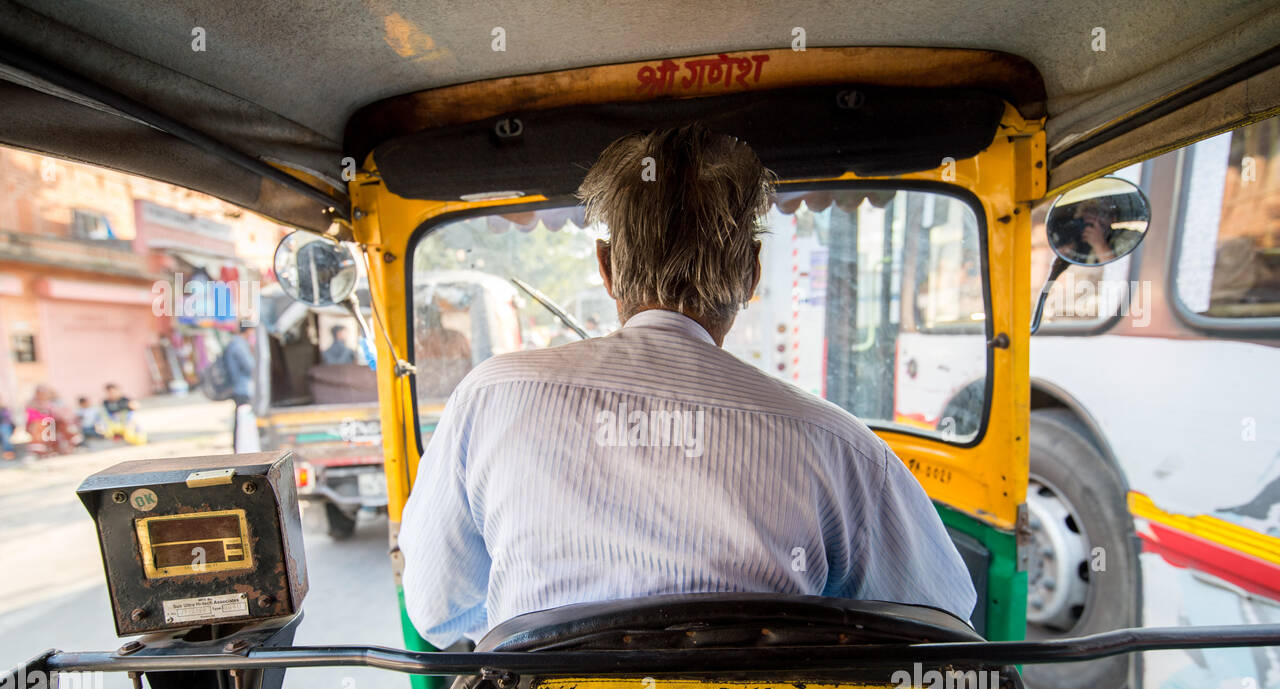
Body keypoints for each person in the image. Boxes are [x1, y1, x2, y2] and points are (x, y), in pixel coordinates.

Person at [398, 124, 977, 649]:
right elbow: (939, 622)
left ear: (605, 266)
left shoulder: (491, 398)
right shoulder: (838, 445)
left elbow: (439, 610)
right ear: (751, 271)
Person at [221, 323, 257, 451]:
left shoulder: (237, 343)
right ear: (247, 331)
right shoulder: (239, 345)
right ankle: (240, 448)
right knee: (242, 420)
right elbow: (250, 366)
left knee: (240, 420)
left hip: (241, 387)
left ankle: (239, 447)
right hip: (243, 388)